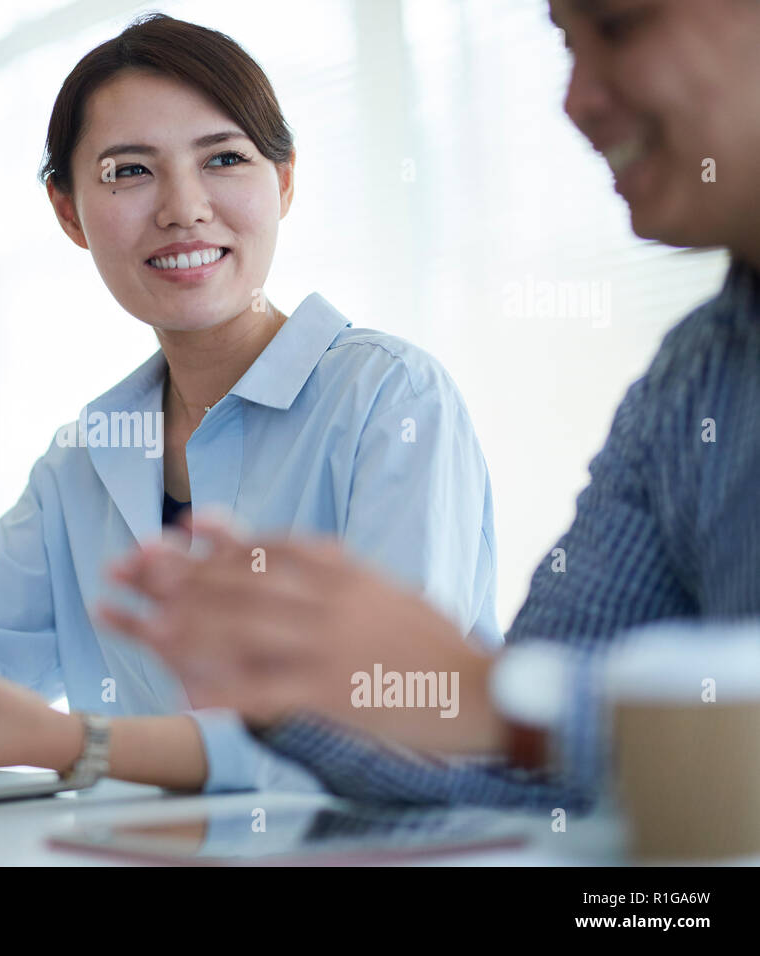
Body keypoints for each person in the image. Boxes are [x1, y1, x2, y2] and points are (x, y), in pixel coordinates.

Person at [0, 13, 498, 794]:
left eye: (223, 158)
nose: (183, 207)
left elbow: (395, 730)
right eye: (129, 171)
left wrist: (84, 743)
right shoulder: (82, 467)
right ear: (69, 211)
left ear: (283, 182)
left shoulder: (390, 400)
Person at [100, 0, 760, 810]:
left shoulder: (388, 389)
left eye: (620, 26)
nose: (575, 98)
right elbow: (512, 766)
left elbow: (516, 712)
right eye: (564, 44)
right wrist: (287, 694)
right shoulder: (695, 379)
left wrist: (496, 701)